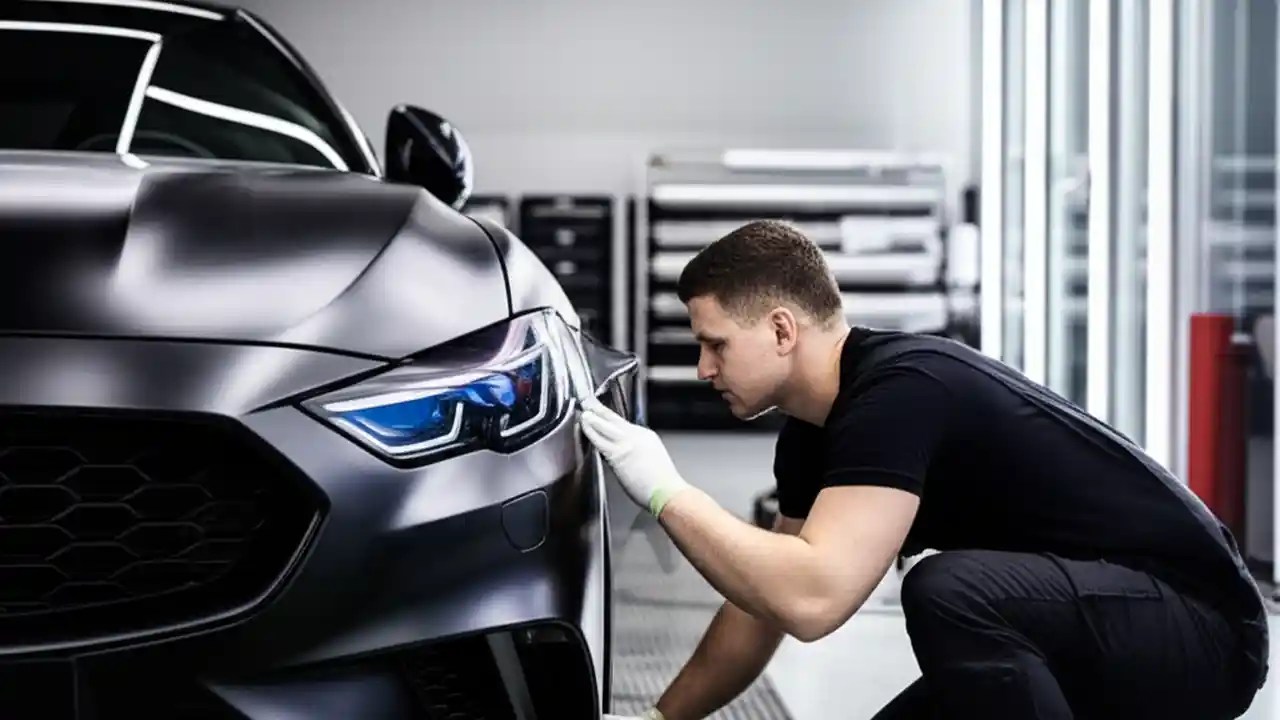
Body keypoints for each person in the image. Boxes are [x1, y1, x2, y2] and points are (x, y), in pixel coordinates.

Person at [587, 219, 1270, 720]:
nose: (703, 369)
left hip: (1199, 631)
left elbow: (815, 599)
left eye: (714, 345)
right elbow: (764, 603)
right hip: (1086, 626)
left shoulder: (903, 391)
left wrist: (664, 491)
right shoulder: (810, 431)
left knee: (948, 586)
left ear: (781, 330)